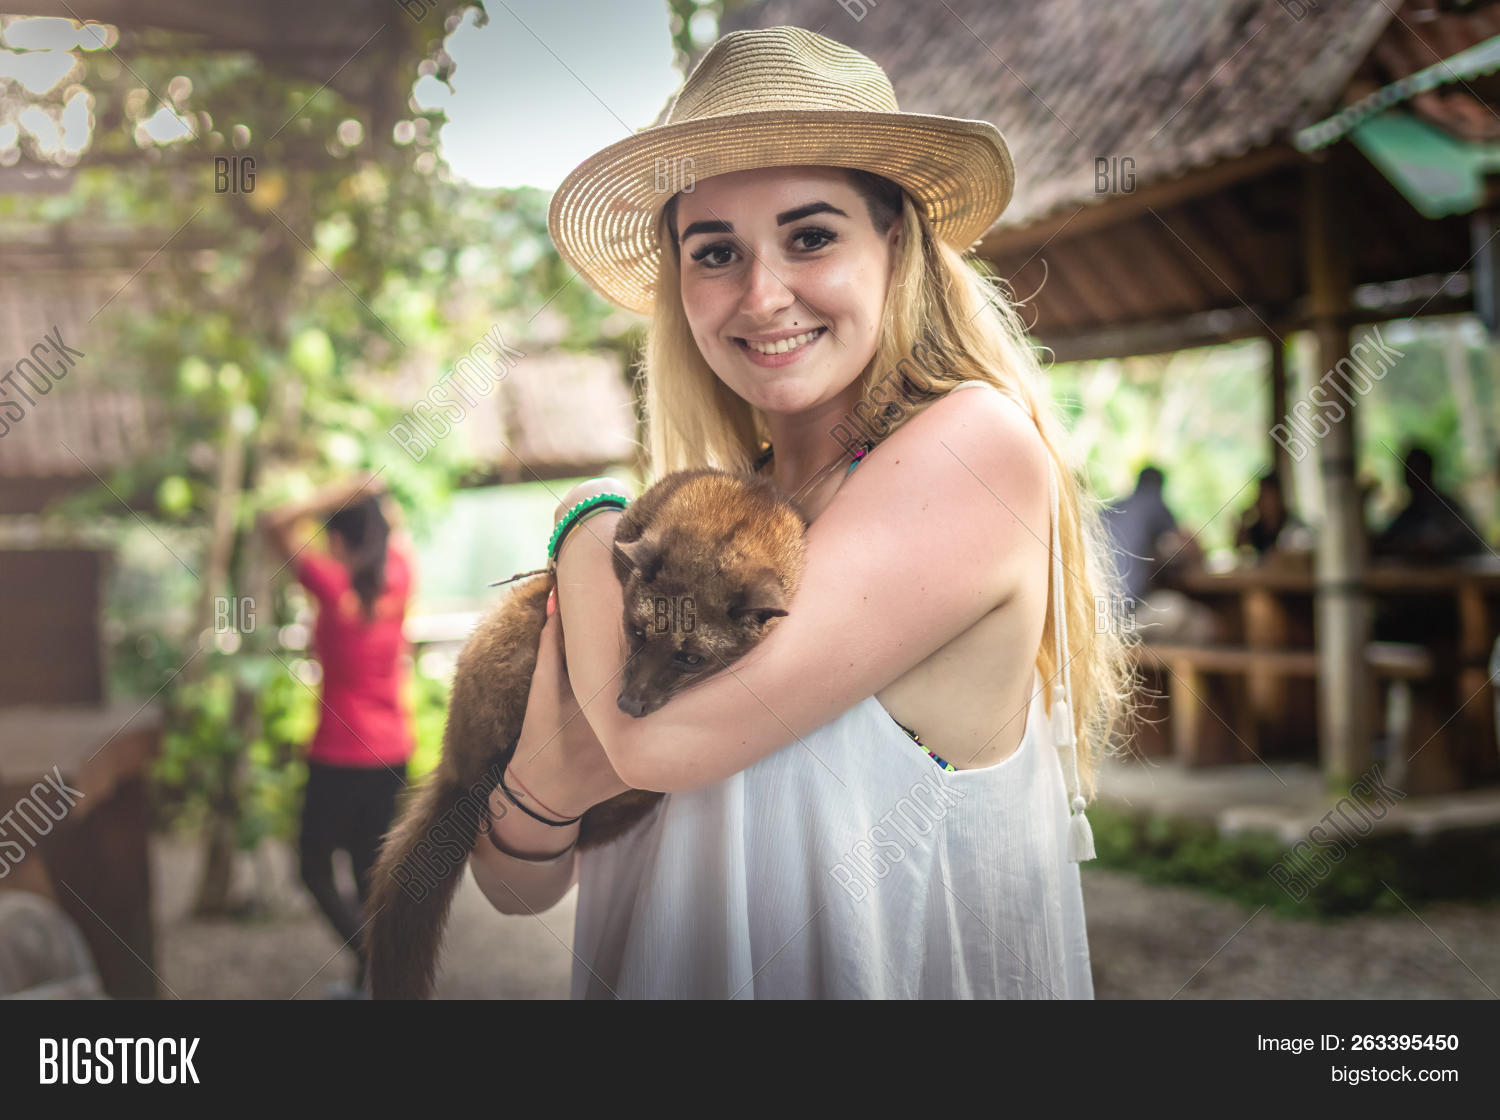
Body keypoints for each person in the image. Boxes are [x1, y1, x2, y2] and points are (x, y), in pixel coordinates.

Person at [466, 26, 1134, 999]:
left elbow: (662, 744)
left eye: (810, 236)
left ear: (893, 242)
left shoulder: (973, 449)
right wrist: (548, 787)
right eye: (715, 251)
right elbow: (514, 884)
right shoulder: (725, 510)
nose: (762, 292)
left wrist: (586, 522)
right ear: (679, 284)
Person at [258, 472, 417, 998]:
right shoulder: (399, 574)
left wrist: (338, 490)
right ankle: (372, 978)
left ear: (341, 539)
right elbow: (393, 526)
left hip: (340, 751)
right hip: (392, 749)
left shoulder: (332, 585)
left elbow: (272, 522)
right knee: (369, 872)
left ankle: (372, 962)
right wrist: (366, 499)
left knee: (312, 865)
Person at [1370, 445, 1486, 562]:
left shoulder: (1443, 508)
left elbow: (1432, 547)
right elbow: (1387, 540)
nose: (1408, 475)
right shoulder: (1413, 510)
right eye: (1407, 469)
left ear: (1428, 471)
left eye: (1415, 469)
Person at [1234, 471, 1306, 558]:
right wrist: (1243, 522)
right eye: (1259, 495)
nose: (1259, 501)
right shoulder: (1258, 529)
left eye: (1264, 496)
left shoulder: (1293, 525)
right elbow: (1238, 545)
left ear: (1278, 497)